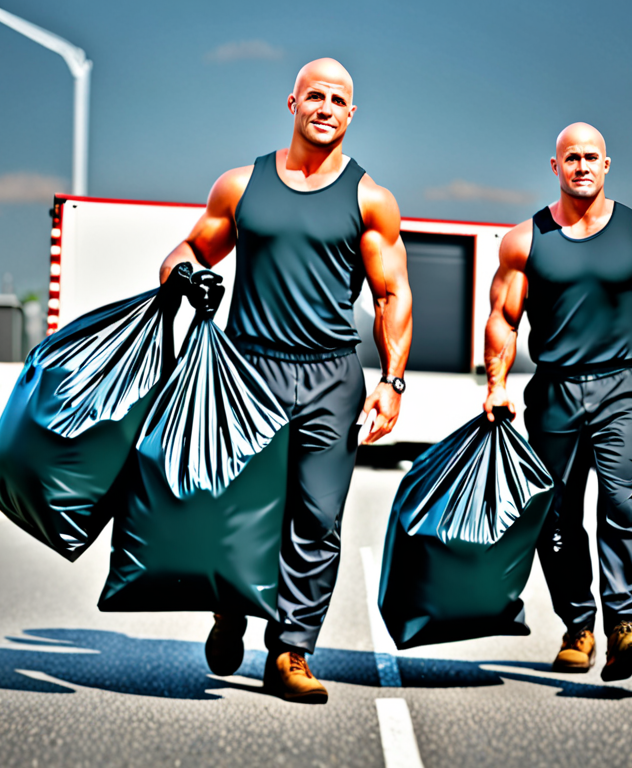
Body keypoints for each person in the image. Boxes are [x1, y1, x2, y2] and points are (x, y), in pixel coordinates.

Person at [159, 58, 412, 703]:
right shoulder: (241, 185)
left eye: (339, 100)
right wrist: (188, 277)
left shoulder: (370, 198)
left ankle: (291, 652)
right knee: (237, 509)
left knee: (317, 519)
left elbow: (391, 293)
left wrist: (393, 381)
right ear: (293, 102)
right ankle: (228, 609)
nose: (326, 107)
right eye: (315, 96)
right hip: (247, 369)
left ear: (351, 115)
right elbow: (186, 251)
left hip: (332, 376)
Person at [482, 122, 632, 682]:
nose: (581, 166)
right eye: (570, 158)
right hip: (552, 390)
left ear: (606, 164)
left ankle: (626, 626)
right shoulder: (525, 239)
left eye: (590, 157)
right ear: (555, 167)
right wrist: (497, 384)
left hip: (621, 386)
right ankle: (578, 625)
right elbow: (503, 319)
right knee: (556, 515)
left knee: (624, 504)